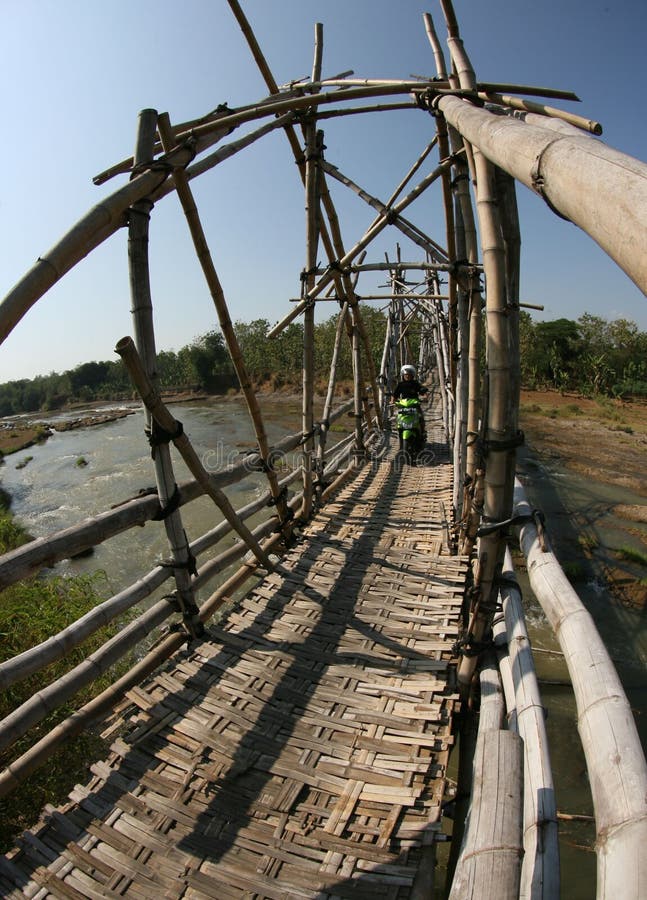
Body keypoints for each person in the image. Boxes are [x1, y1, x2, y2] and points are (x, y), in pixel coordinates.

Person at [392, 364, 428, 440]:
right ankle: (400, 430)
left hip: (414, 404)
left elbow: (421, 390)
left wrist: (425, 396)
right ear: (403, 375)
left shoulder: (415, 383)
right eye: (406, 375)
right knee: (398, 418)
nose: (407, 376)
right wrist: (392, 401)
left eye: (409, 375)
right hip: (403, 405)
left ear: (412, 375)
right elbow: (395, 394)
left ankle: (423, 431)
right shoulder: (400, 384)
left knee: (420, 416)